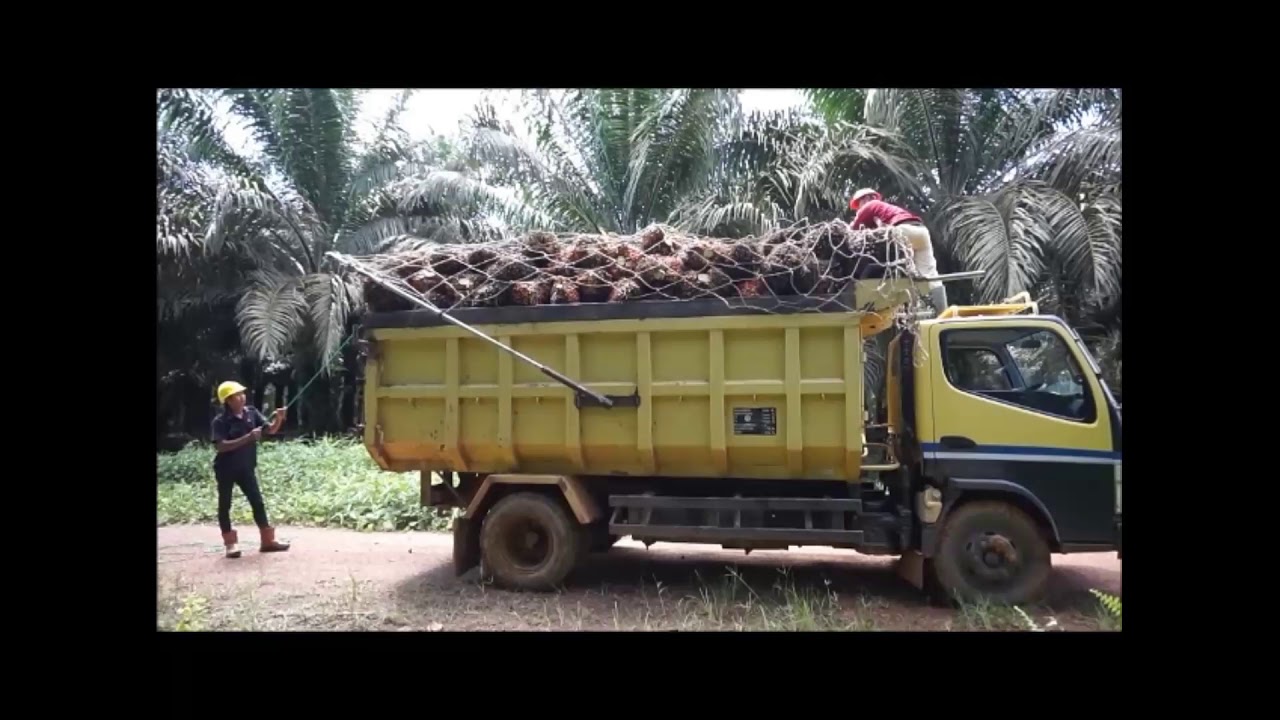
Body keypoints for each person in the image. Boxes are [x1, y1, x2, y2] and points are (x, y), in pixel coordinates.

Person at [212, 381, 291, 559]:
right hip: (225, 469)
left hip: (246, 467)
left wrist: (279, 418)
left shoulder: (252, 412)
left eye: (242, 393)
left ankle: (267, 541)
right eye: (237, 395)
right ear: (228, 401)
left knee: (257, 502)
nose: (242, 397)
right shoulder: (220, 421)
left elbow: (270, 431)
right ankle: (230, 544)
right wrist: (248, 438)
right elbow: (221, 446)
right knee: (225, 505)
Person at [849, 188, 948, 312]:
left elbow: (851, 230)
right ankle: (942, 311)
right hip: (921, 231)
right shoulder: (886, 210)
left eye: (858, 205)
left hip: (902, 231)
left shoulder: (870, 205)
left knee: (898, 272)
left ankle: (901, 308)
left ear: (865, 199)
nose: (858, 209)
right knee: (930, 275)